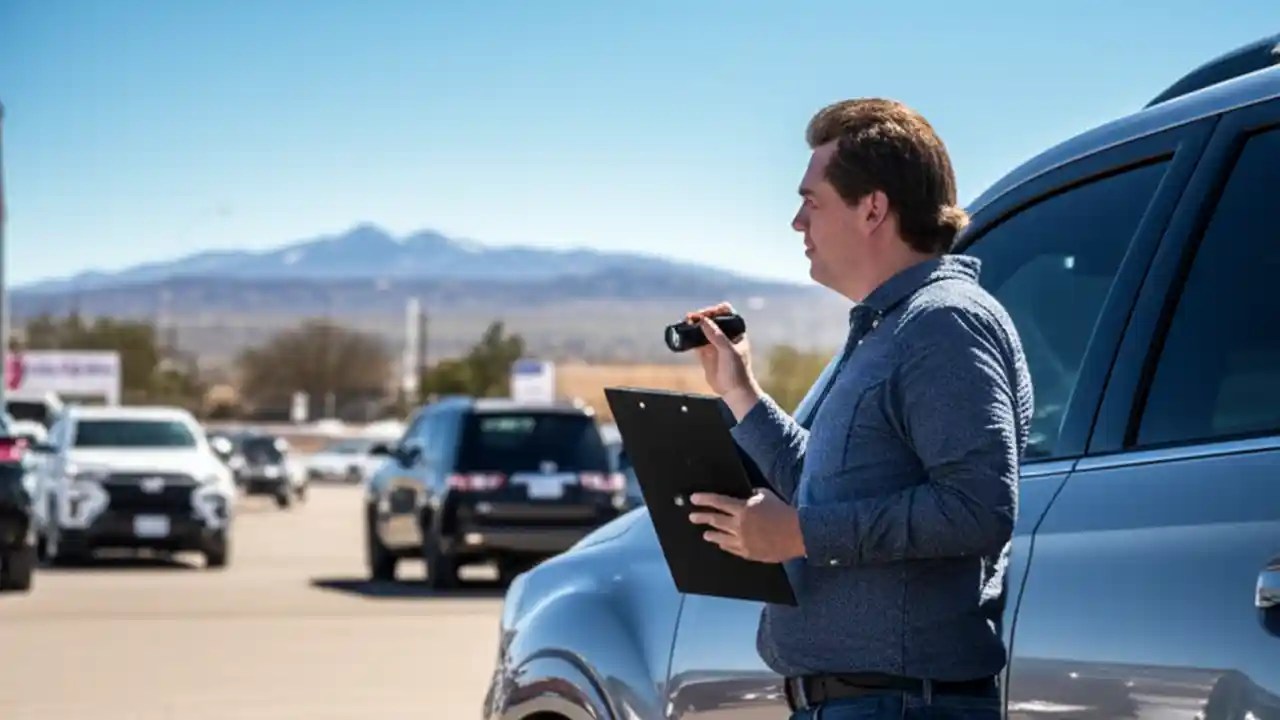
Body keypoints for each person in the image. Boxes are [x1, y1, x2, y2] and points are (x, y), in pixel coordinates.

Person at [685, 98, 1033, 719]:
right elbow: (825, 490)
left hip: (898, 706)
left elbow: (979, 508)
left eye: (811, 202)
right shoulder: (887, 330)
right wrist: (741, 392)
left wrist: (798, 533)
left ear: (873, 207)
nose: (797, 222)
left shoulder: (946, 323)